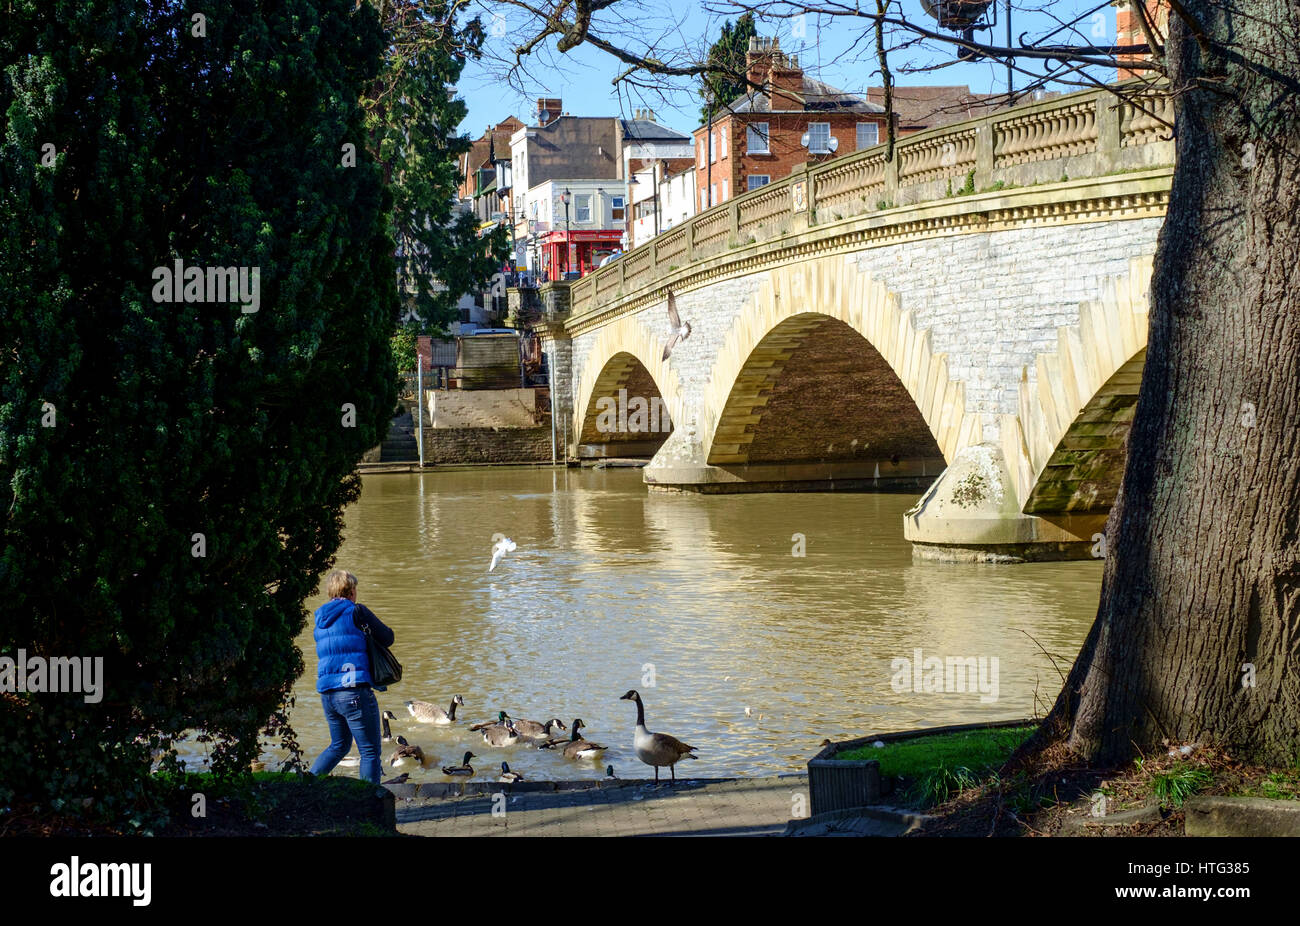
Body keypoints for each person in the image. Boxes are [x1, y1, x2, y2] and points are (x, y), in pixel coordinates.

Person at [309, 569, 395, 784]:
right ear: (351, 591)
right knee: (370, 751)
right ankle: (370, 803)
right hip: (354, 690)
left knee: (338, 746)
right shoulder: (358, 612)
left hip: (328, 694)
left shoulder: (320, 618)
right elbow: (387, 637)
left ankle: (305, 786)